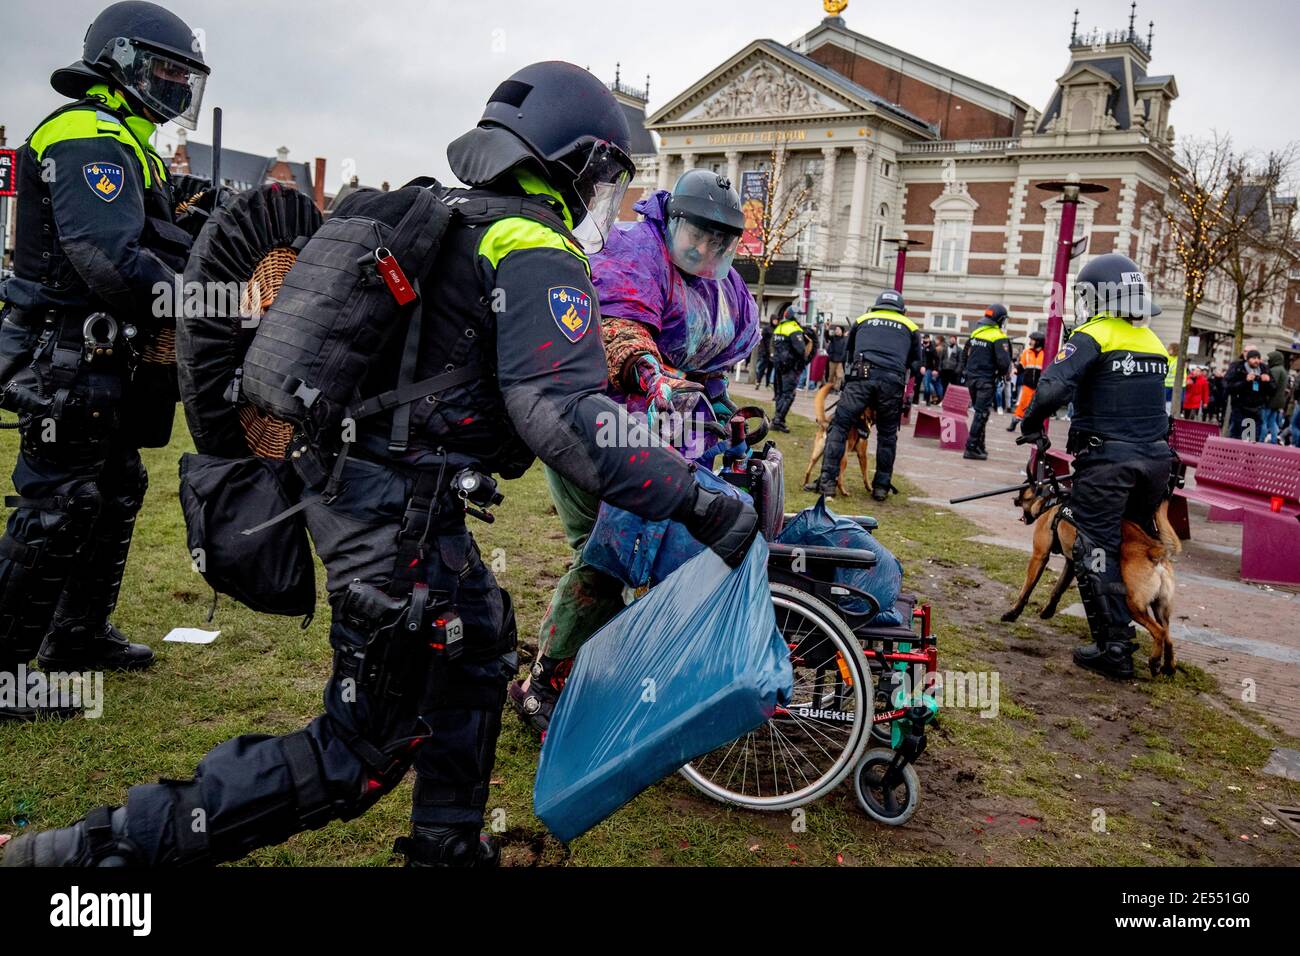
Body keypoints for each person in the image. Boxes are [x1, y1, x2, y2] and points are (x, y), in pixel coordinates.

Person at [1, 61, 759, 868]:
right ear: (573, 161)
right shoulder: (531, 243)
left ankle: (445, 846)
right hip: (395, 521)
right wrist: (700, 500)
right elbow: (564, 416)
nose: (608, 196)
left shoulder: (450, 213)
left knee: (477, 649)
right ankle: (72, 856)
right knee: (356, 753)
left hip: (374, 492)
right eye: (607, 173)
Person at [0, 1, 212, 720]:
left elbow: (149, 231)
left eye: (186, 76)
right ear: (120, 62)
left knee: (115, 486)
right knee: (59, 504)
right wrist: (203, 304)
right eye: (167, 71)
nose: (178, 87)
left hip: (105, 354)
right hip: (65, 351)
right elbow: (109, 258)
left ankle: (76, 635)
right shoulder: (85, 135)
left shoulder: (129, 141)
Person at [507, 168, 756, 732]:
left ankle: (595, 673)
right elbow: (619, 331)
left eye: (721, 241)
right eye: (697, 234)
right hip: (590, 422)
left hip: (658, 434)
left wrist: (721, 413)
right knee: (607, 553)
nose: (706, 249)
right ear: (672, 221)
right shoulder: (633, 251)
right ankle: (543, 685)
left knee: (630, 549)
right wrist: (655, 378)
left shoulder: (720, 286)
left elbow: (706, 366)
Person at [1020, 253, 1172, 680]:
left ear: (1097, 296)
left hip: (1109, 463)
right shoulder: (1152, 341)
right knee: (1133, 546)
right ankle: (1146, 630)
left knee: (1096, 550)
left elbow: (1052, 386)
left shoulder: (1094, 334)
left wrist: (1031, 423)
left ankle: (1115, 649)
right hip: (1155, 462)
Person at [807, 289, 919, 502]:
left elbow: (848, 355)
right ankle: (881, 488)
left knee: (838, 429)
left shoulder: (862, 320)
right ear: (901, 310)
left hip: (860, 378)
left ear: (876, 306)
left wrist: (849, 384)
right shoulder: (910, 327)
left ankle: (827, 483)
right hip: (891, 383)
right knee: (887, 436)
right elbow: (915, 363)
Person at [961, 304, 1012, 460]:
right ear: (1001, 320)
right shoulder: (998, 336)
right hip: (986, 380)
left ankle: (979, 446)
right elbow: (1004, 363)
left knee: (980, 412)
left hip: (972, 379)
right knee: (981, 414)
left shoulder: (976, 333)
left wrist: (968, 371)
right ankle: (971, 447)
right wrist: (1001, 374)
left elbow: (965, 355)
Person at [770, 305, 809, 432]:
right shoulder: (794, 329)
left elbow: (774, 345)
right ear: (794, 316)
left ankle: (777, 419)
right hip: (790, 367)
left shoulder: (779, 328)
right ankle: (778, 420)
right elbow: (801, 349)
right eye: (799, 315)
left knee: (780, 394)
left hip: (778, 365)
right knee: (788, 395)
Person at [1225, 350, 1273, 441]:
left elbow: (1272, 390)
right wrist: (1245, 381)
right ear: (1247, 359)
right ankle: (1235, 453)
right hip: (1241, 408)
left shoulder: (1264, 369)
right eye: (1254, 358)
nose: (1256, 361)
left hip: (1257, 408)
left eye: (1258, 358)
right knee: (1240, 435)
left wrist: (1268, 382)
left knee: (1253, 437)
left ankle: (1249, 453)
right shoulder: (1239, 369)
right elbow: (1230, 387)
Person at [1007, 331, 1045, 430]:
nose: (1030, 342)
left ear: (1038, 342)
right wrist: (1015, 370)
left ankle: (1031, 426)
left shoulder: (1045, 354)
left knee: (1036, 406)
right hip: (1027, 385)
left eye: (1032, 340)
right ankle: (1014, 421)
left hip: (1040, 385)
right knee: (1023, 404)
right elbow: (1022, 366)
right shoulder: (1027, 352)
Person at [1262, 350, 1288, 443]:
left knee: (1263, 421)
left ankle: (1260, 440)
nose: (1268, 360)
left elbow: (1271, 385)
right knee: (1272, 421)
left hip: (1271, 401)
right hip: (1279, 401)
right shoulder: (1283, 370)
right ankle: (1274, 440)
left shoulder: (1275, 370)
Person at [754, 315, 775, 387]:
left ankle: (767, 383)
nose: (775, 321)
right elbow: (762, 340)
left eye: (776, 320)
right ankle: (758, 381)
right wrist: (763, 351)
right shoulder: (767, 329)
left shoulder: (777, 329)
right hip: (765, 352)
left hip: (772, 352)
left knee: (770, 369)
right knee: (762, 368)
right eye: (774, 320)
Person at [826, 323, 848, 390]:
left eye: (838, 329)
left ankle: (836, 388)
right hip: (832, 359)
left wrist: (842, 359)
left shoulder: (844, 340)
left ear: (842, 331)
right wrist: (827, 329)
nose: (837, 331)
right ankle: (829, 388)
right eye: (836, 329)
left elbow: (845, 350)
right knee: (831, 375)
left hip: (840, 361)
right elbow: (827, 336)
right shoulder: (833, 338)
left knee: (839, 376)